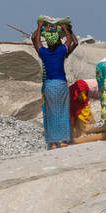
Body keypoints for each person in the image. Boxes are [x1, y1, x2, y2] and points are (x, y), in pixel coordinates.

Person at [31, 16, 78, 148]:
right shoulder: (62, 51)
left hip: (49, 85)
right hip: (61, 84)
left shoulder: (44, 53)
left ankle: (52, 143)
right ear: (58, 40)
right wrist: (66, 29)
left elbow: (35, 40)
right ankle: (63, 140)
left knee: (50, 113)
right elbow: (71, 41)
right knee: (62, 111)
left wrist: (40, 27)